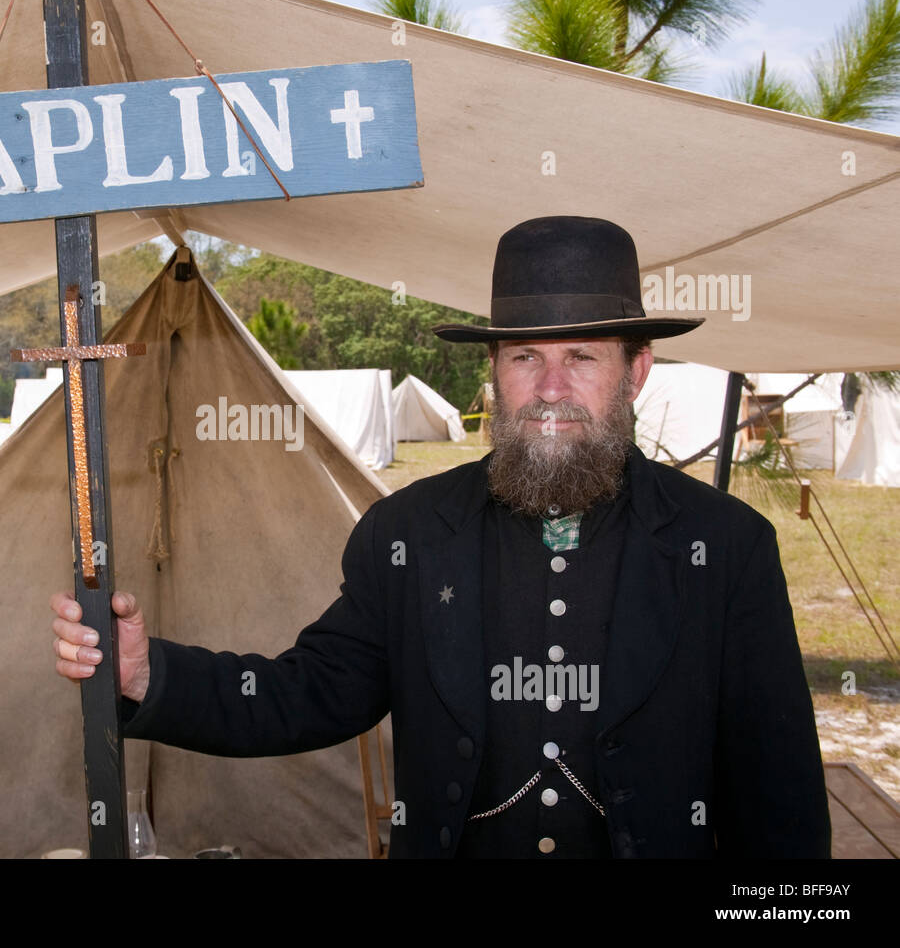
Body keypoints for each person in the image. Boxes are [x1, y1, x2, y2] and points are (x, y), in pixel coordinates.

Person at [49, 216, 831, 859]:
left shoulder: (726, 548)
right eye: (526, 358)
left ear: (635, 373)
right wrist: (149, 674)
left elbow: (778, 794)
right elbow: (308, 693)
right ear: (493, 372)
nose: (551, 390)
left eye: (582, 358)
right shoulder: (411, 534)